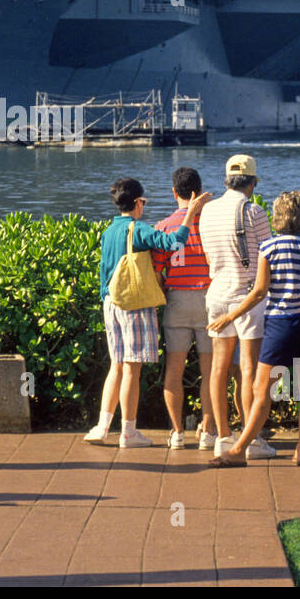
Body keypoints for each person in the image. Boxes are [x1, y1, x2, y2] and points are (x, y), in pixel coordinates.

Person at [85, 177, 210, 448]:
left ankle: (102, 426)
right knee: (132, 367)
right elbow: (175, 243)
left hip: (111, 302)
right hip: (134, 303)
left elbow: (104, 271)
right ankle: (128, 432)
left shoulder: (109, 231)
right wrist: (190, 212)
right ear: (138, 203)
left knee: (116, 366)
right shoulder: (138, 230)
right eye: (144, 201)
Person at [210, 191, 300, 467]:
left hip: (280, 325)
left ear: (277, 216)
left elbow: (260, 292)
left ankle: (239, 450)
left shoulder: (269, 248)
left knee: (262, 392)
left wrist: (230, 317)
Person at [198, 155, 274, 459]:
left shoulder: (207, 211)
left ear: (226, 180)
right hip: (247, 297)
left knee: (218, 368)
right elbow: (268, 257)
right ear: (252, 182)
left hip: (216, 293)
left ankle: (223, 437)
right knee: (248, 369)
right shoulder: (254, 211)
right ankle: (251, 439)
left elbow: (208, 256)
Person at [149, 167, 213, 450]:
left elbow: (156, 271)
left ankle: (177, 433)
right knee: (211, 371)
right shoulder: (211, 223)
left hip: (176, 299)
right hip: (209, 300)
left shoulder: (163, 226)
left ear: (174, 192)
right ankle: (208, 431)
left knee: (174, 369)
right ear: (199, 192)